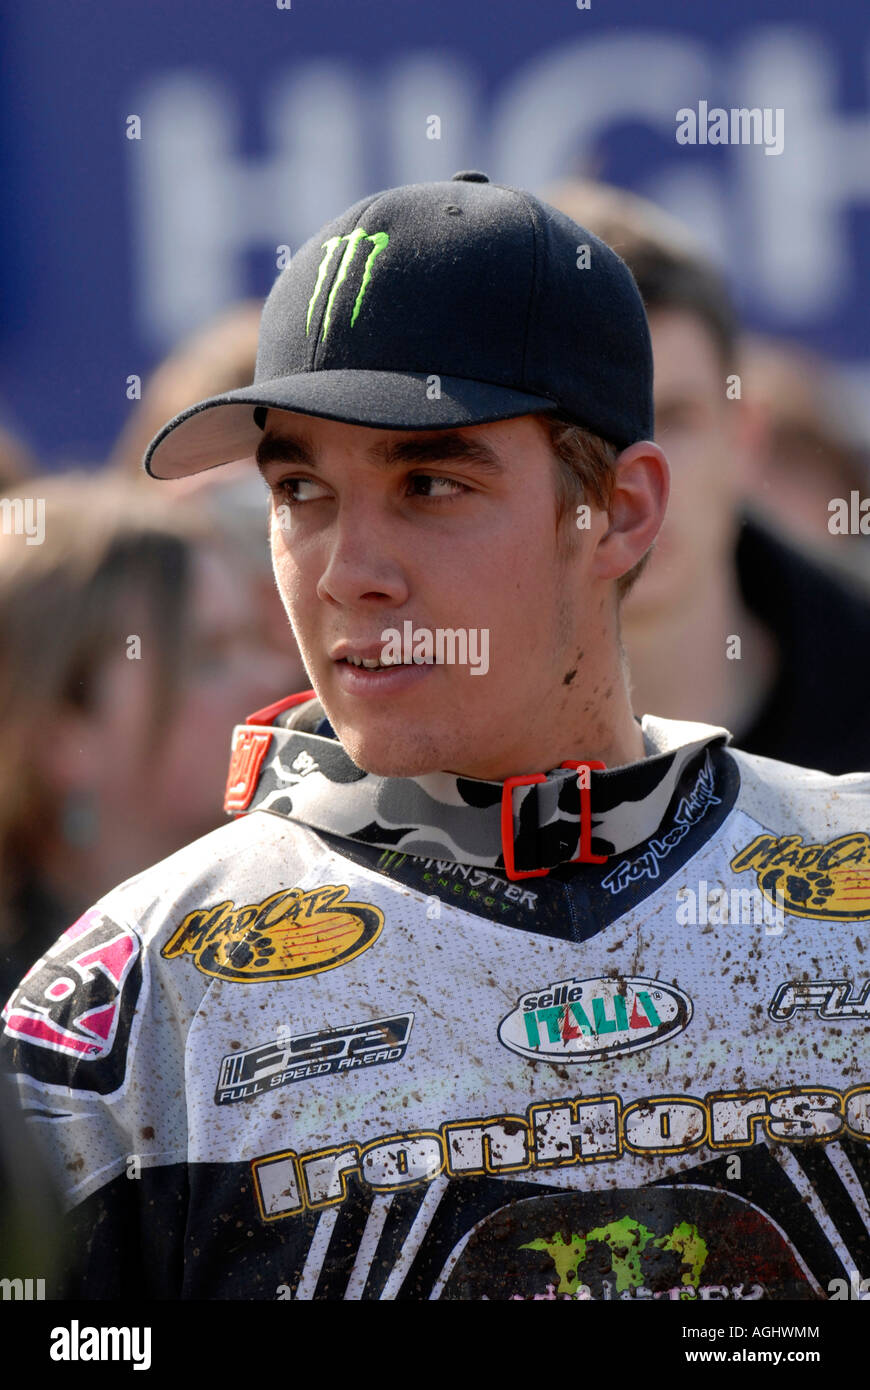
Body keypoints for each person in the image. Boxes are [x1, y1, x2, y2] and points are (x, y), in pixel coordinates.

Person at [2, 173, 868, 1301]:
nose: (348, 571)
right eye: (301, 489)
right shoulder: (133, 1010)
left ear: (623, 510)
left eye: (429, 483)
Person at [546, 178, 870, 776]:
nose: (636, 482)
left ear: (744, 437)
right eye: (588, 431)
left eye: (674, 419)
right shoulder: (421, 732)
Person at [0, 474, 296, 1000]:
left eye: (255, 638)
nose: (272, 678)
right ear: (64, 729)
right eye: (209, 657)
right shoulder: (20, 1030)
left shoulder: (297, 918)